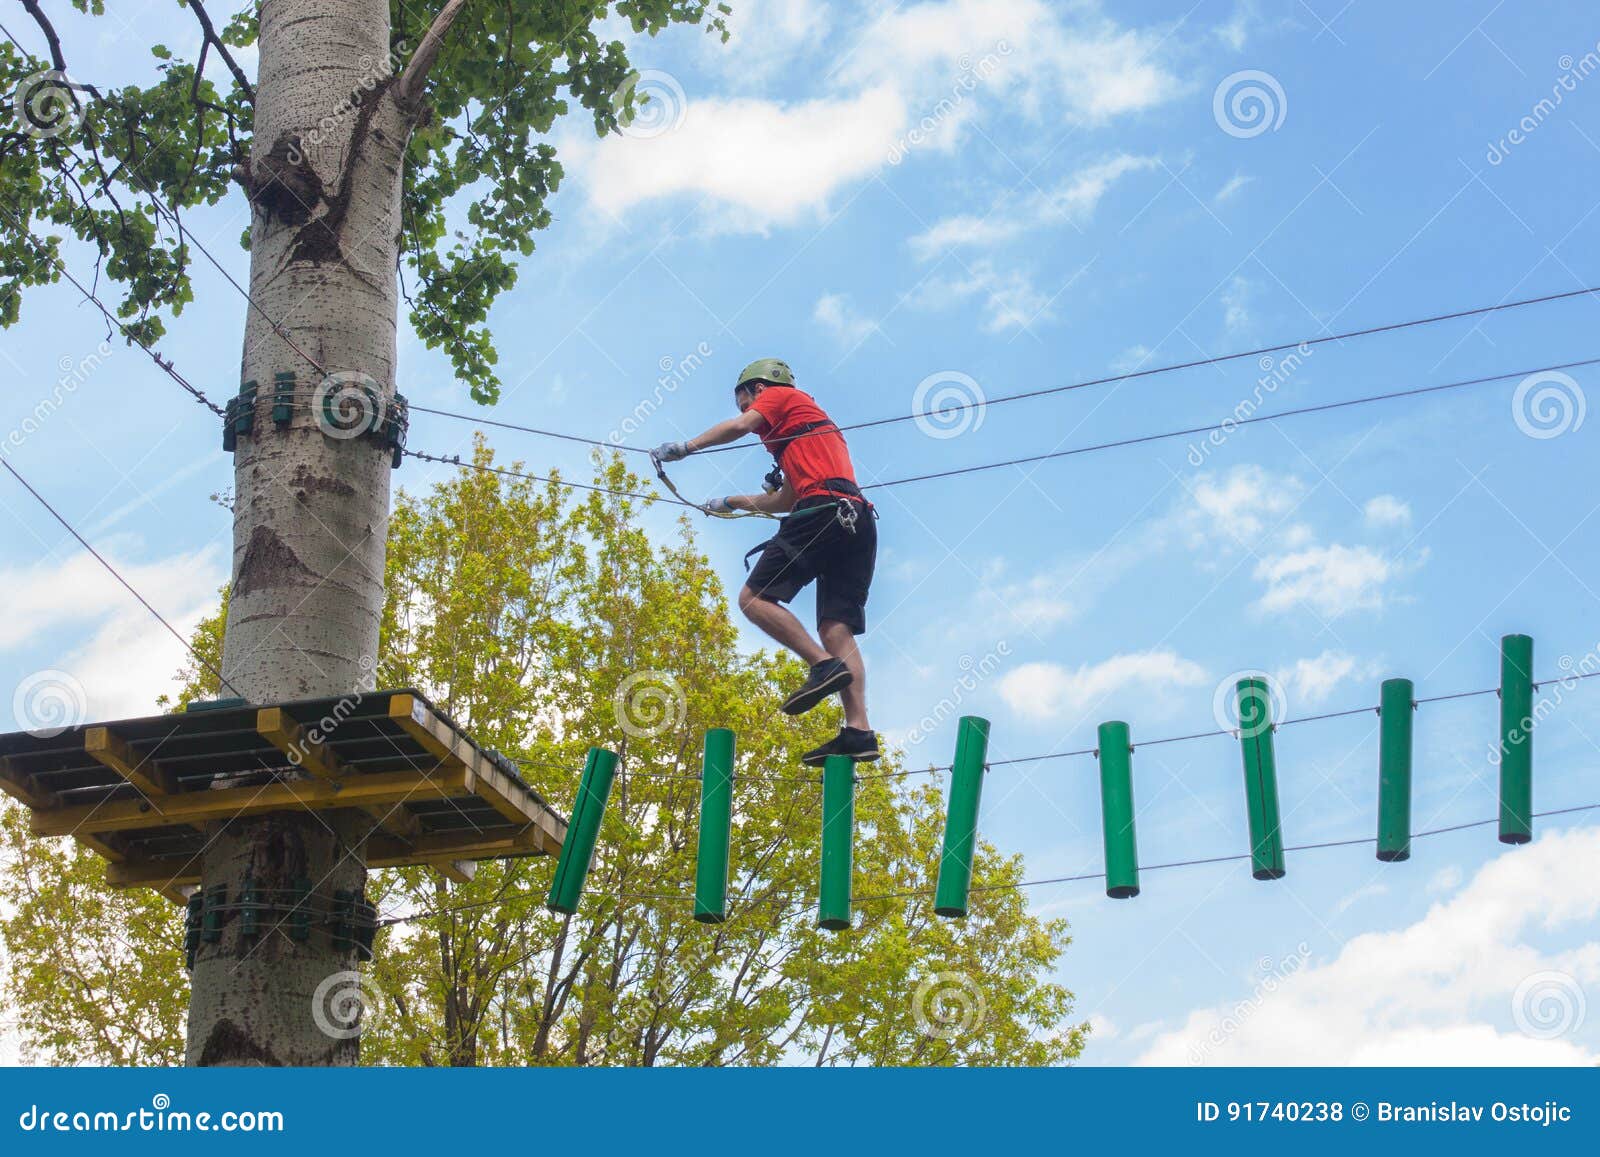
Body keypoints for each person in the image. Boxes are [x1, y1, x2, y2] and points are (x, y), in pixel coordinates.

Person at [653, 358, 879, 765]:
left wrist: (686, 448)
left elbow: (739, 428)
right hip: (857, 520)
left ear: (758, 390)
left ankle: (822, 668)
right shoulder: (804, 430)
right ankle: (859, 730)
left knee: (753, 599)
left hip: (824, 511)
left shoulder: (780, 397)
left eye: (746, 404)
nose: (749, 417)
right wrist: (732, 502)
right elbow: (784, 501)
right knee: (836, 628)